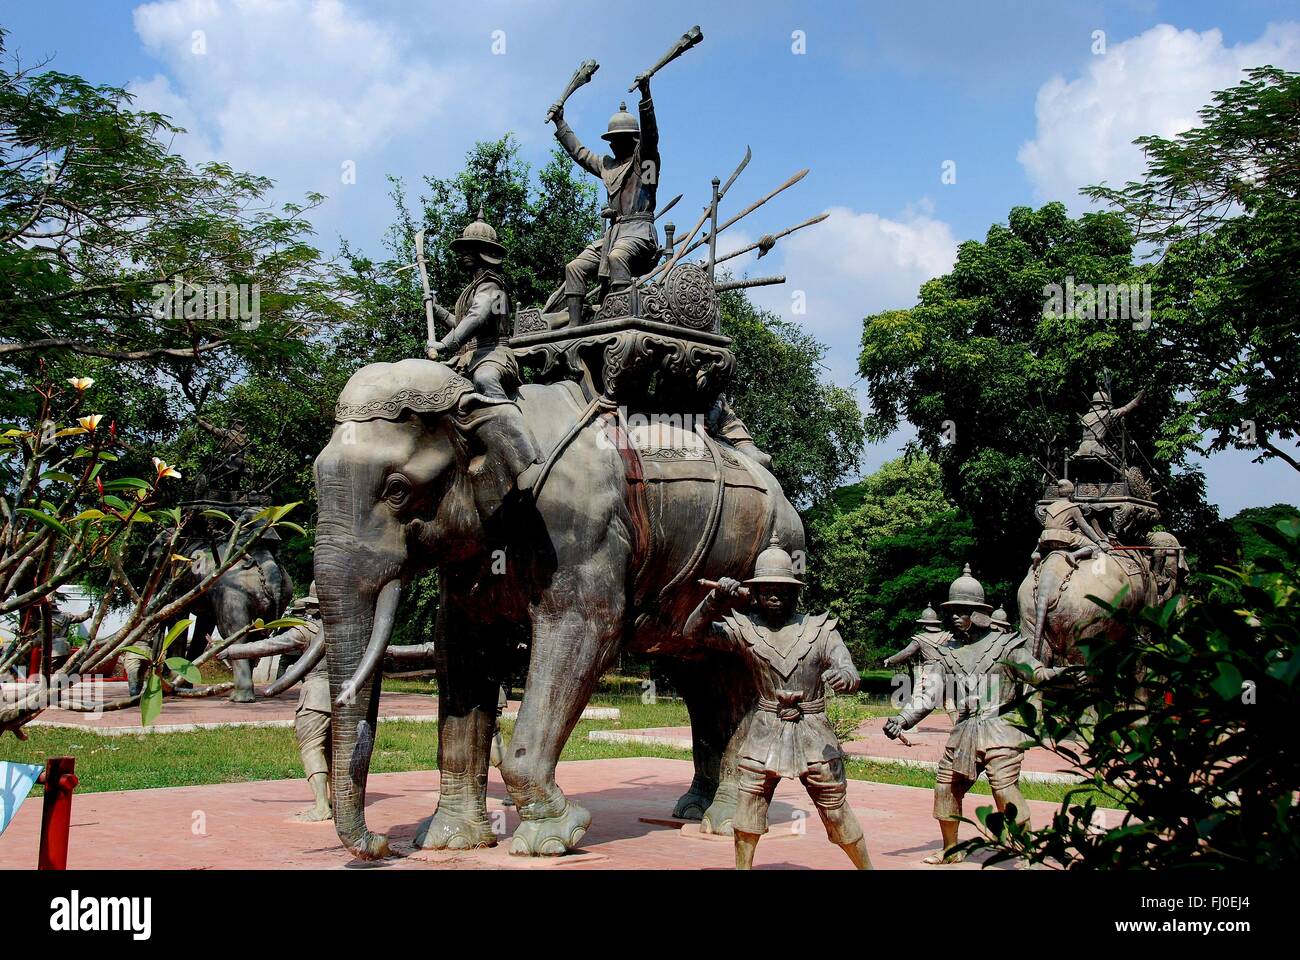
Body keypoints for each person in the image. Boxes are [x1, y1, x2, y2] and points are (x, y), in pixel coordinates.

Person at [683, 538, 872, 869]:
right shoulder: (746, 630)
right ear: (754, 592)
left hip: (813, 733)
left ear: (796, 592)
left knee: (836, 811)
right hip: (765, 731)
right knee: (748, 811)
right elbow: (692, 635)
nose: (774, 594)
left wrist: (846, 676)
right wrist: (713, 601)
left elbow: (849, 669)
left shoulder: (820, 630)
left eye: (783, 588)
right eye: (767, 587)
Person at [884, 563, 1065, 864]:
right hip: (964, 731)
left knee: (1004, 791)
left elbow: (1036, 673)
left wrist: (1062, 674)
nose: (955, 616)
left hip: (1001, 730)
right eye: (952, 610)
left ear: (979, 613)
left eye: (963, 610)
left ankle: (1027, 852)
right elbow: (930, 695)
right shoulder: (946, 652)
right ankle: (950, 849)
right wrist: (902, 719)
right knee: (945, 788)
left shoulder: (1006, 645)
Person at [425, 211, 542, 491]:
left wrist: (444, 344)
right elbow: (465, 325)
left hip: (495, 354)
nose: (463, 254)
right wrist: (438, 311)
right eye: (463, 249)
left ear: (484, 253)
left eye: (470, 249)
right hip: (469, 355)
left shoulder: (492, 287)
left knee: (485, 380)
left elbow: (477, 319)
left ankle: (515, 449)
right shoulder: (473, 288)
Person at [551, 76, 660, 327]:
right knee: (575, 267)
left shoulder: (645, 163)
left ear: (632, 139)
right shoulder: (608, 165)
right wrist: (560, 123)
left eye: (619, 139)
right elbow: (580, 153)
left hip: (640, 233)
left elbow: (651, 137)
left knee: (617, 257)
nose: (614, 145)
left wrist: (646, 96)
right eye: (612, 140)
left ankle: (620, 315)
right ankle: (574, 327)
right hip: (615, 234)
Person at [226, 583, 331, 821]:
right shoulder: (350, 630)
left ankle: (321, 805)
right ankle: (337, 801)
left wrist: (232, 651)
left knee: (312, 747)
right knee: (336, 750)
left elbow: (270, 645)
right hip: (347, 696)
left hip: (315, 696)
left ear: (313, 607)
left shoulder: (307, 631)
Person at [1036, 479, 1111, 566]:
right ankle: (1073, 555)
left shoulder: (1050, 507)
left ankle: (1036, 554)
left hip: (1045, 537)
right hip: (1062, 537)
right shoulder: (1072, 507)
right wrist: (1099, 542)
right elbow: (1084, 526)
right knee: (1094, 547)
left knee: (1039, 547)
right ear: (1070, 495)